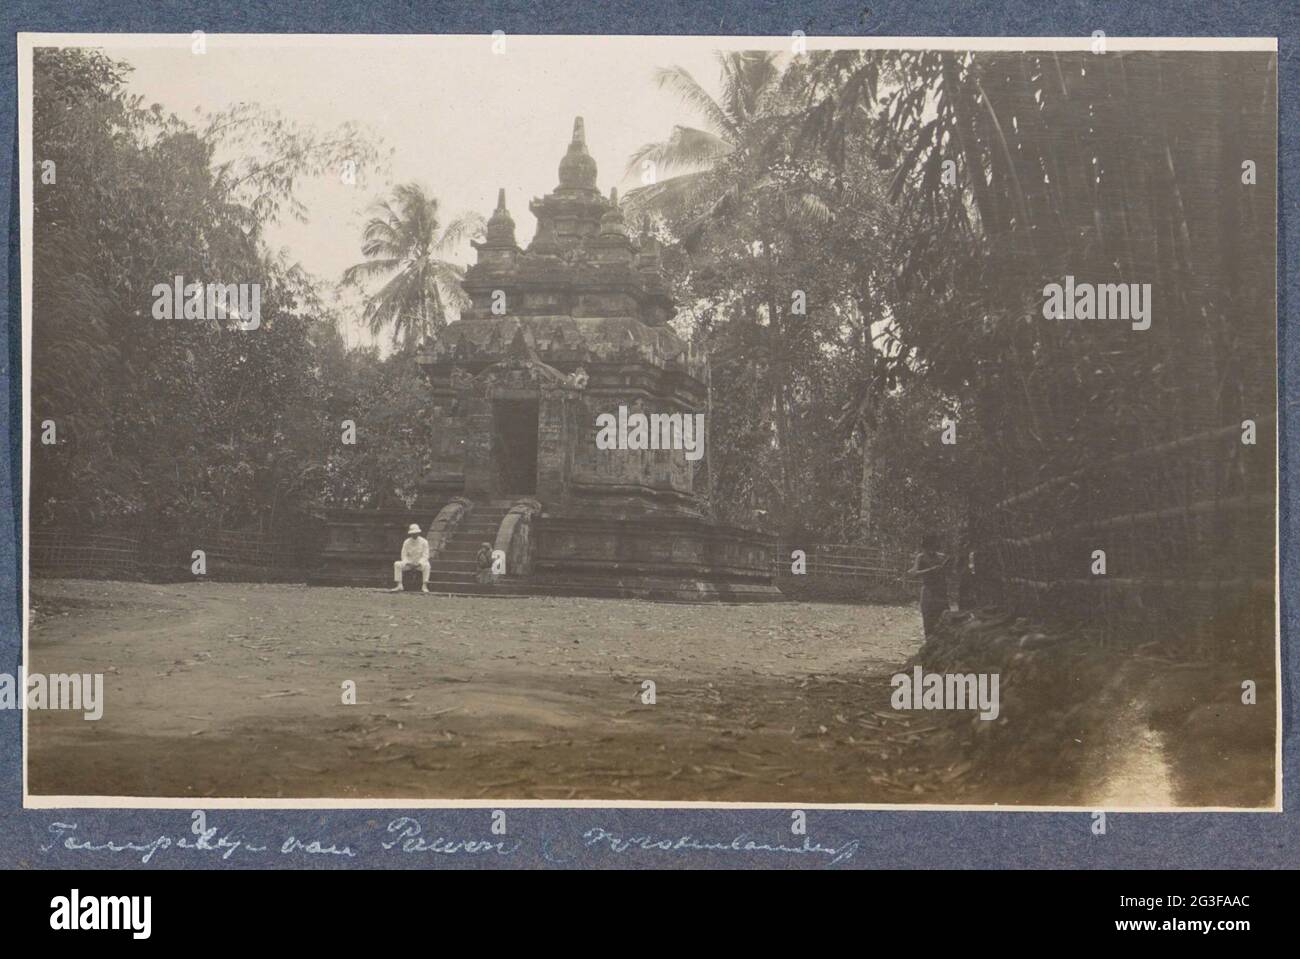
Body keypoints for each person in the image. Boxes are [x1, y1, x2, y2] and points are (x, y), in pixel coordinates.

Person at [907, 533, 950, 638]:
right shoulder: (921, 557)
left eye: (933, 546)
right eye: (928, 547)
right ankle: (928, 642)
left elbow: (949, 573)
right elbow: (913, 573)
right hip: (928, 591)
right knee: (928, 618)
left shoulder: (942, 557)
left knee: (942, 619)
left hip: (941, 591)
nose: (931, 549)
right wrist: (931, 570)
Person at [390, 523, 430, 593]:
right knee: (397, 564)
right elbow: (404, 555)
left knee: (427, 565)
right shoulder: (406, 542)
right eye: (413, 533)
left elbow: (425, 555)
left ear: (418, 533)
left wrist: (419, 563)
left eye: (416, 533)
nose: (414, 535)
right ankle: (399, 585)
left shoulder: (424, 542)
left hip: (419, 564)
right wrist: (408, 563)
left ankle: (424, 585)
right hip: (409, 564)